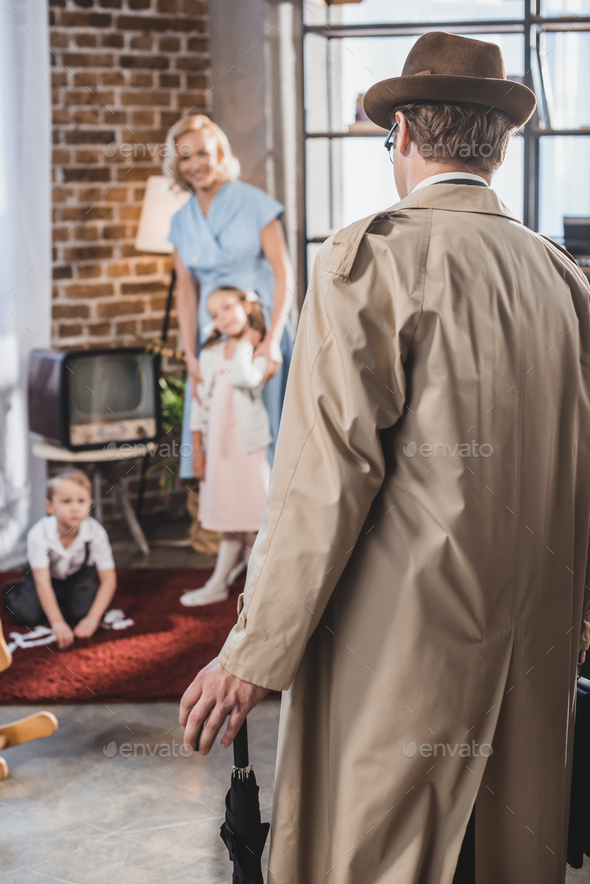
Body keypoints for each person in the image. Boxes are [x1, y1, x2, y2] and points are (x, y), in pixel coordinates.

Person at [179, 33, 590, 884]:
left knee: (377, 853)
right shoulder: (565, 280)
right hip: (538, 635)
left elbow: (323, 478)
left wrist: (253, 653)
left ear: (400, 132)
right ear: (500, 143)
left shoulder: (372, 257)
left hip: (402, 642)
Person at [166, 114, 295, 479]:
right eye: (185, 157)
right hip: (211, 339)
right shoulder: (180, 221)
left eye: (203, 153)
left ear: (219, 153)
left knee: (263, 435)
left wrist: (272, 340)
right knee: (217, 430)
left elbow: (285, 274)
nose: (195, 165)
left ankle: (271, 531)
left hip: (260, 330)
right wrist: (190, 354)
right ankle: (228, 524)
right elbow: (187, 296)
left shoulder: (255, 203)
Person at [180, 286, 271, 607]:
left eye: (227, 308)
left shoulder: (263, 349)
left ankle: (236, 580)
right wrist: (197, 449)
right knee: (232, 511)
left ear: (246, 305)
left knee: (255, 512)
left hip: (247, 445)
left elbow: (247, 380)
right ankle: (229, 576)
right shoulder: (211, 353)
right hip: (219, 447)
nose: (222, 318)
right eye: (214, 314)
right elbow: (200, 404)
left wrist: (245, 346)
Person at [2, 469, 117, 650]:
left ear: (90, 504)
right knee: (26, 615)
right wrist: (57, 622)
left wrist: (92, 619)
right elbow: (42, 582)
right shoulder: (39, 534)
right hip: (45, 580)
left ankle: (63, 602)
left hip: (76, 578)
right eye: (66, 501)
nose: (75, 508)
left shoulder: (96, 533)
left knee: (81, 612)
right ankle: (16, 592)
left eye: (81, 501)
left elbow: (109, 580)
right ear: (50, 507)